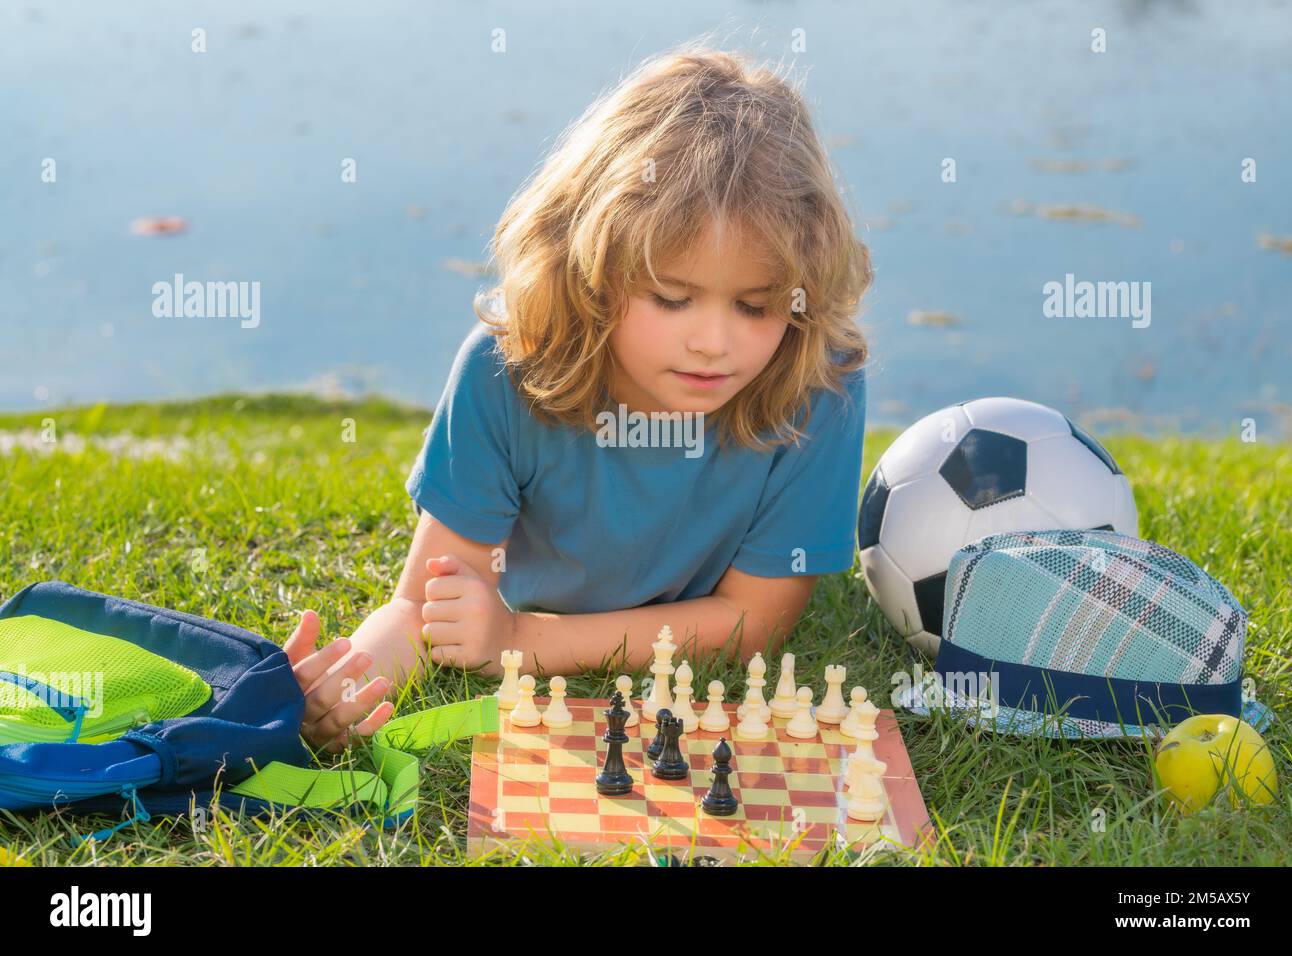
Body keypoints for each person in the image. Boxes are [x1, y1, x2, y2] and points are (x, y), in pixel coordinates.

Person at [287, 43, 872, 751]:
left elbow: (754, 621)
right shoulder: (505, 369)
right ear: (590, 265)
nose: (714, 342)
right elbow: (425, 606)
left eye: (755, 305)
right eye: (672, 297)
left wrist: (522, 641)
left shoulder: (817, 381)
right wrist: (347, 682)